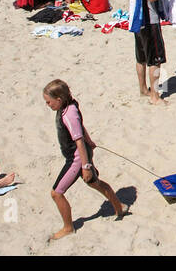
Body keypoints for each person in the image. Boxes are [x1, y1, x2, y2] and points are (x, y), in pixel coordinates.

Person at [43, 79, 126, 240]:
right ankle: (119, 207)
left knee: (56, 193)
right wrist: (90, 141)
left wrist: (86, 165)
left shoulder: (68, 115)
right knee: (94, 183)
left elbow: (78, 140)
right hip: (81, 154)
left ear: (59, 100)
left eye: (49, 102)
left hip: (76, 159)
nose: (48, 105)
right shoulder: (70, 106)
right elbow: (81, 128)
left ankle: (68, 227)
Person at [128, 0, 174, 105]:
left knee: (141, 57)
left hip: (137, 18)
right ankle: (155, 96)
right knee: (155, 59)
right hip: (149, 19)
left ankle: (143, 89)